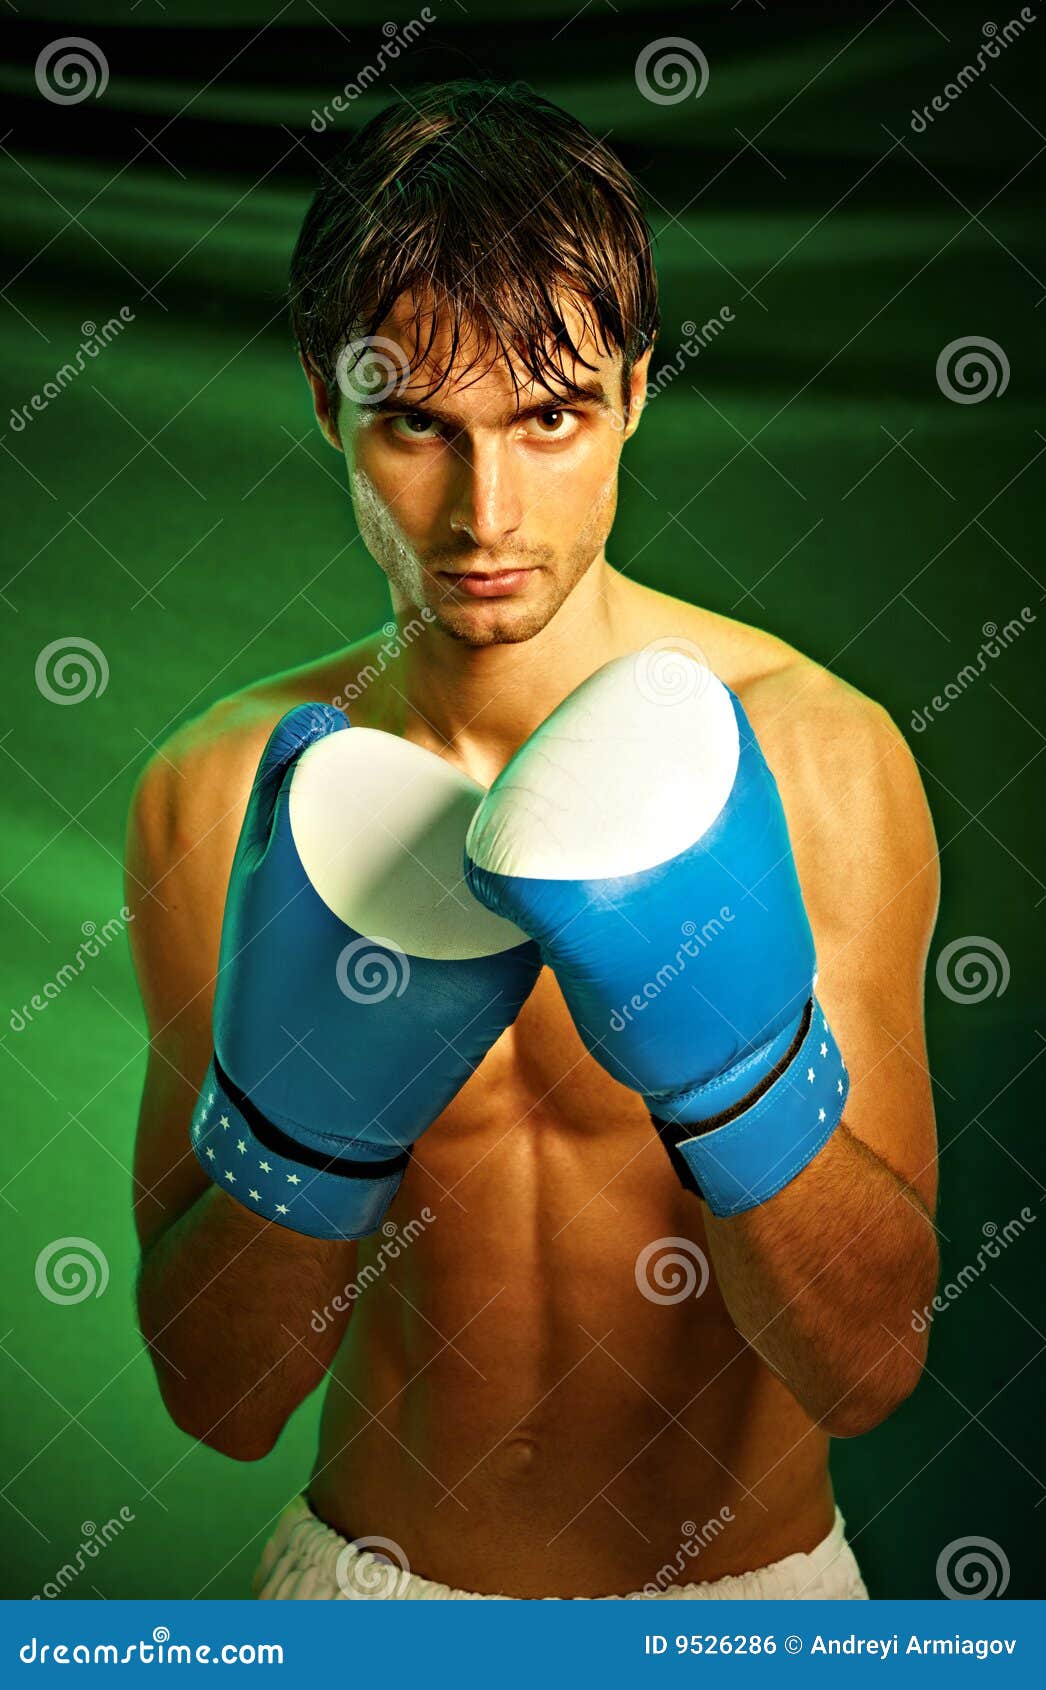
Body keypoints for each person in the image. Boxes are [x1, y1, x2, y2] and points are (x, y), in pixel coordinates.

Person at [126, 81, 940, 1602]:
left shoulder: (820, 757)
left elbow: (870, 1367)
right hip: (377, 1605)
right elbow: (217, 1400)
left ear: (634, 392)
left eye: (548, 416)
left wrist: (735, 1077)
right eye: (416, 426)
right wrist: (304, 1139)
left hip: (746, 1610)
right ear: (327, 403)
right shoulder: (222, 789)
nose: (483, 513)